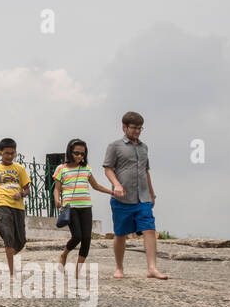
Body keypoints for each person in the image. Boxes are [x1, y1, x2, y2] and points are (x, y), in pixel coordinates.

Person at [102, 111, 168, 280]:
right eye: (134, 128)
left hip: (143, 197)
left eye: (140, 128)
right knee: (120, 233)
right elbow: (108, 168)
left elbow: (146, 171)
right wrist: (116, 184)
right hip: (122, 198)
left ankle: (152, 268)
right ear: (124, 127)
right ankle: (119, 268)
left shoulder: (144, 147)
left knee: (149, 229)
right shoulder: (114, 146)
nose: (137, 131)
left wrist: (152, 194)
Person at [54, 139, 112, 282]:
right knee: (77, 236)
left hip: (86, 206)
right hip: (70, 207)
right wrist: (57, 200)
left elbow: (96, 185)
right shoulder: (61, 168)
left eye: (82, 154)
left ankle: (77, 271)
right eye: (77, 153)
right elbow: (57, 188)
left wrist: (112, 192)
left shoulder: (86, 168)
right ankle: (64, 255)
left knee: (87, 238)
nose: (80, 156)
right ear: (70, 152)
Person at [0, 138, 31, 278]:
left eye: (12, 153)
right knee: (8, 235)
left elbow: (27, 189)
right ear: (0, 153)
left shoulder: (20, 169)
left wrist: (21, 194)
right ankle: (12, 273)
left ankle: (8, 257)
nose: (10, 156)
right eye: (7, 153)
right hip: (2, 205)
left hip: (18, 208)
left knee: (21, 241)